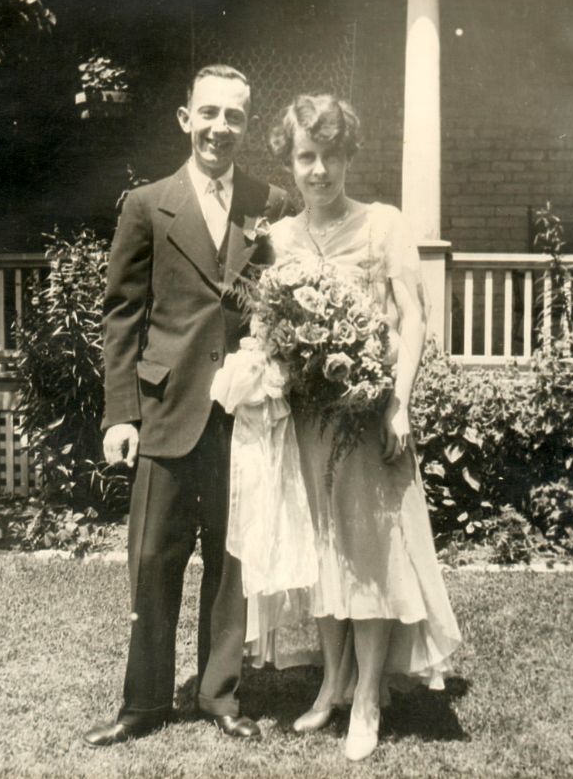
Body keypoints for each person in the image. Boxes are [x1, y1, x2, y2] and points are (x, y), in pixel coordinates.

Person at [243, 94, 462, 761]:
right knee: (320, 550)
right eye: (306, 157)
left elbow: (415, 316)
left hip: (368, 419)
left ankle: (367, 697)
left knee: (367, 554)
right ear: (290, 158)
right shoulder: (279, 237)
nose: (318, 171)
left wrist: (398, 399)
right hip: (308, 419)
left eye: (330, 156)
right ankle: (330, 685)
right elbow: (266, 321)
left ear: (347, 156)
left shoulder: (384, 223)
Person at [83, 64, 290, 748]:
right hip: (168, 407)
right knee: (152, 558)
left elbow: (288, 301)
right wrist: (120, 413)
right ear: (184, 117)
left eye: (234, 116)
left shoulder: (270, 201)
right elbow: (122, 314)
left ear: (246, 124)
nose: (219, 128)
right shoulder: (147, 204)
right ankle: (142, 702)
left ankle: (220, 693)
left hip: (241, 412)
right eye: (208, 113)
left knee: (231, 560)